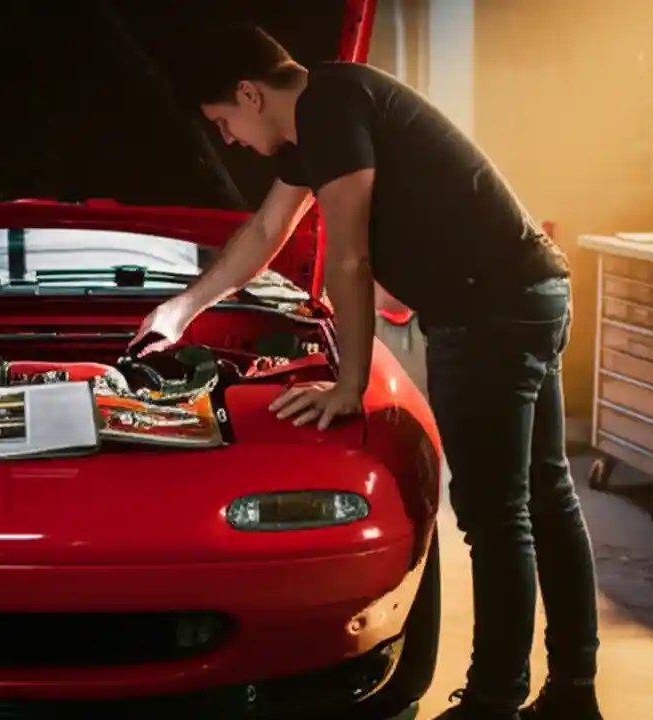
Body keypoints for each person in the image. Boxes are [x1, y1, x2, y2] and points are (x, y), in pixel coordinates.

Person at [129, 25, 603, 720]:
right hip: (527, 290)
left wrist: (348, 384)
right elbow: (266, 233)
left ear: (249, 93)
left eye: (222, 122)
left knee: (499, 516)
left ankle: (493, 702)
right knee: (544, 499)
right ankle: (572, 695)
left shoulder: (330, 107)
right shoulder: (328, 113)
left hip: (487, 312)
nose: (226, 140)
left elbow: (347, 258)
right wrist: (183, 307)